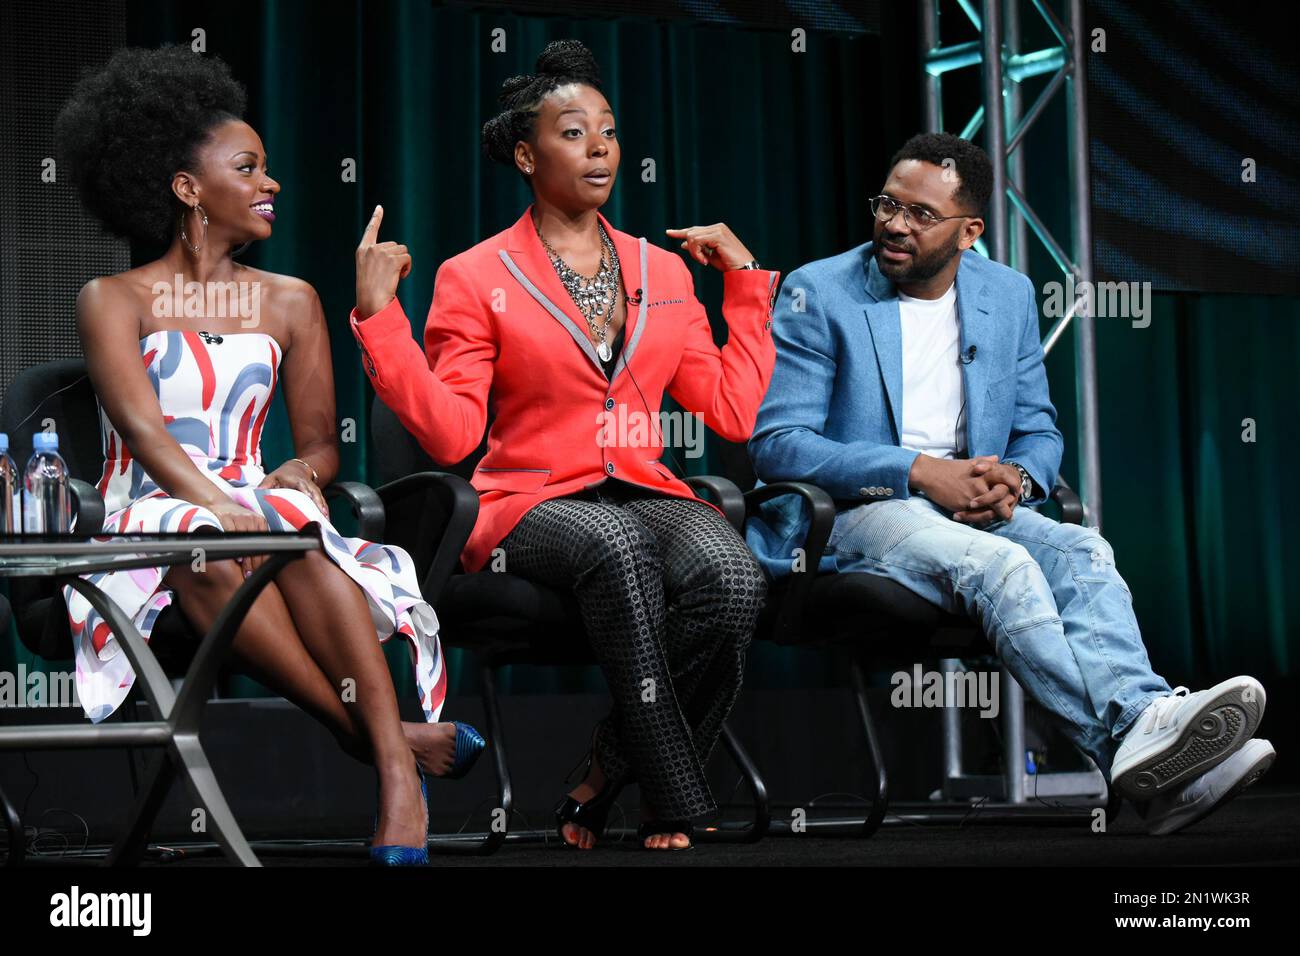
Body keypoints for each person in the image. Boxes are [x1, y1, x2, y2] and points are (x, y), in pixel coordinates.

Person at [746, 132, 1273, 836]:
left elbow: (1038, 428)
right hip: (858, 511)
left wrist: (1016, 480)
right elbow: (780, 445)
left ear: (970, 232)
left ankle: (1154, 744)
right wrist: (918, 470)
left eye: (920, 214)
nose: (895, 225)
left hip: (969, 509)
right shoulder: (822, 290)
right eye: (887, 205)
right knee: (1003, 566)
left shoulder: (1008, 295)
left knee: (1085, 551)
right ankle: (1140, 743)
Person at [55, 45, 482, 865]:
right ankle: (392, 747)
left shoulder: (290, 300)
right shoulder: (110, 299)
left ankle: (392, 768)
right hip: (149, 508)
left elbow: (320, 443)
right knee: (202, 537)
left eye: (268, 168)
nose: (271, 183)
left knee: (293, 518)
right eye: (248, 168)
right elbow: (143, 431)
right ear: (187, 189)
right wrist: (214, 505)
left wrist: (300, 473)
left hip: (256, 505)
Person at [349, 39, 776, 850]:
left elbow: (732, 411)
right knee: (616, 545)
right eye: (574, 133)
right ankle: (676, 800)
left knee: (733, 580)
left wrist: (745, 283)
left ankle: (602, 772)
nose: (600, 149)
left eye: (608, 133)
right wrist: (380, 318)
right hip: (531, 499)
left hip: (644, 487)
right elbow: (451, 433)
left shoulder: (663, 271)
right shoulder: (477, 275)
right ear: (525, 152)